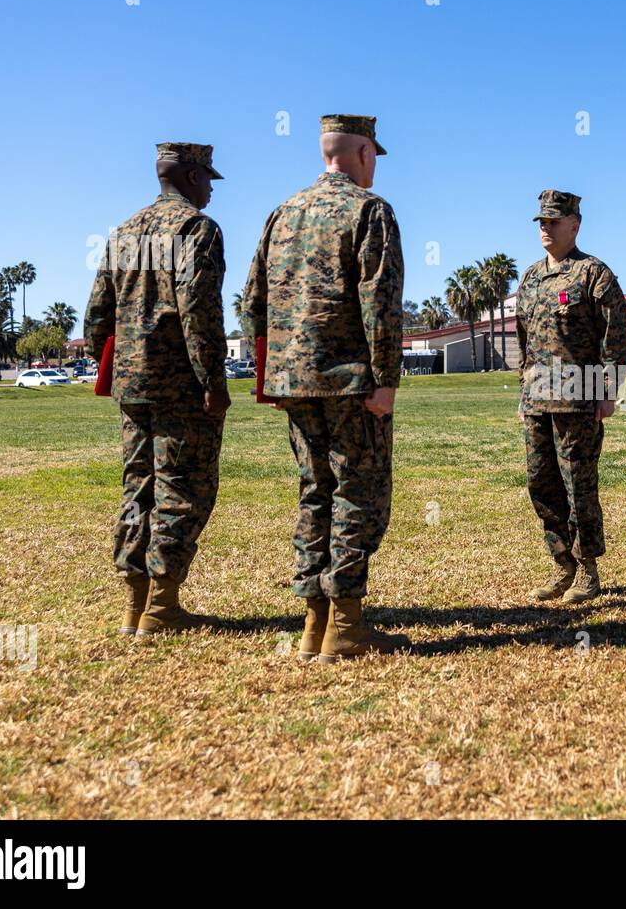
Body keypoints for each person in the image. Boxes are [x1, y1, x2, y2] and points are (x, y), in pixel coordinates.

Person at [242, 114, 409, 661]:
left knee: (315, 491)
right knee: (358, 494)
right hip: (350, 383)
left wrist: (276, 368)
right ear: (361, 151)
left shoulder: (282, 213)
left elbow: (250, 304)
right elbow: (380, 303)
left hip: (294, 383)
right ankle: (347, 625)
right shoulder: (370, 211)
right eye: (375, 154)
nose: (375, 164)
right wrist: (385, 380)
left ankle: (314, 622)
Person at [84, 142, 229, 636]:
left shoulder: (123, 232)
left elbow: (97, 314)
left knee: (137, 485)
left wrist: (114, 360)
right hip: (181, 383)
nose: (210, 187)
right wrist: (213, 379)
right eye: (207, 178)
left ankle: (135, 606)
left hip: (132, 383)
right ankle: (163, 607)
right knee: (183, 486)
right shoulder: (196, 228)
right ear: (190, 177)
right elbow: (199, 310)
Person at [517, 190, 626, 603]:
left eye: (553, 221)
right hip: (536, 399)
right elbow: (524, 340)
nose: (545, 227)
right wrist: (523, 391)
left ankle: (588, 570)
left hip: (579, 397)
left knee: (578, 485)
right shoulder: (530, 278)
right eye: (541, 222)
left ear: (574, 225)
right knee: (540, 483)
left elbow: (616, 338)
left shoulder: (593, 274)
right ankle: (562, 563)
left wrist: (608, 393)